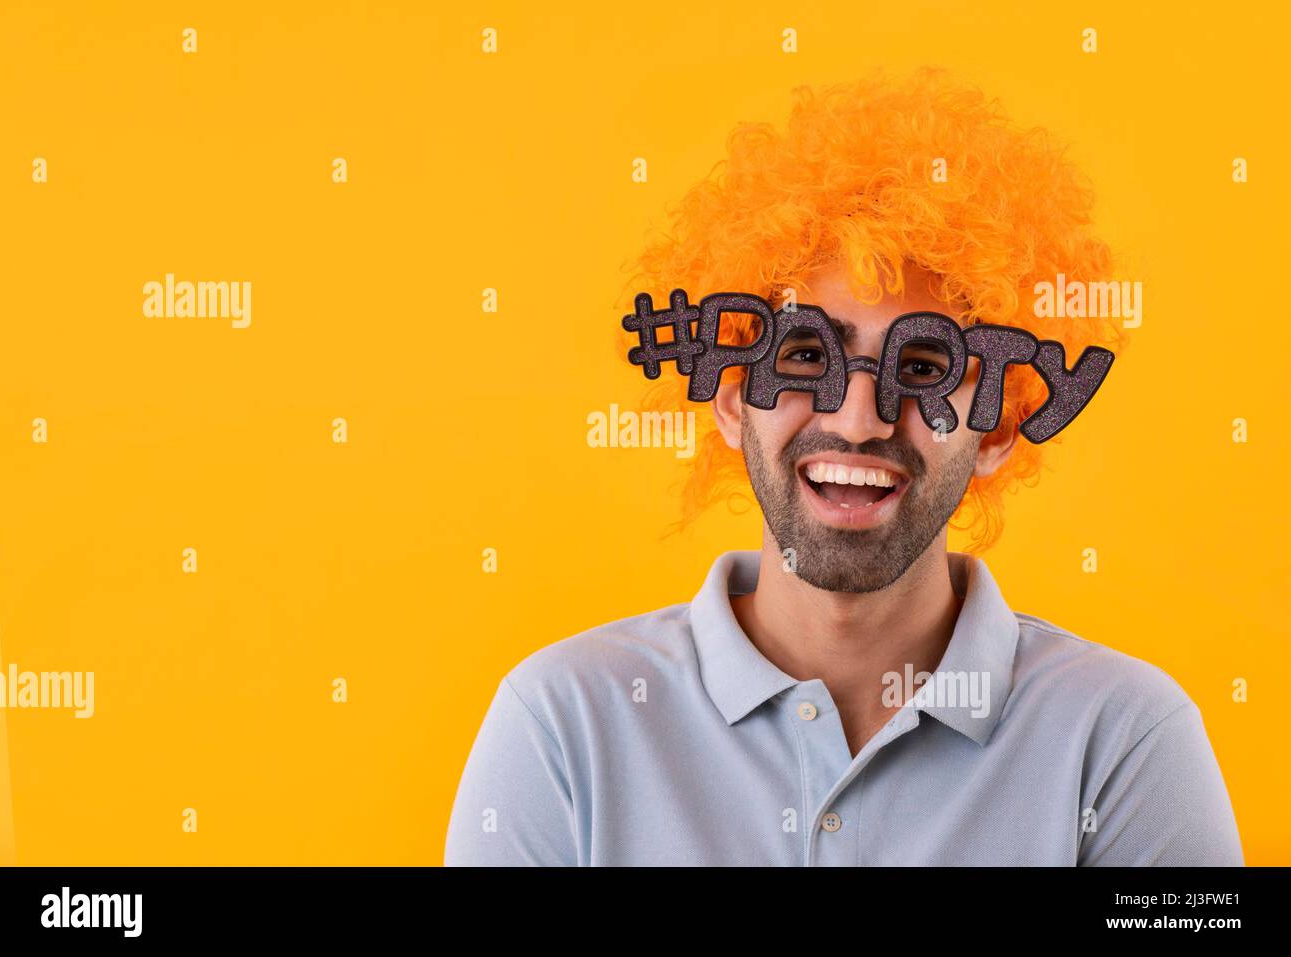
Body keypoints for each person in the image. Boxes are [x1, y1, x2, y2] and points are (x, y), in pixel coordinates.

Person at [443, 67, 1243, 866]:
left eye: (924, 366)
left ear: (999, 425)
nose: (858, 419)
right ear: (728, 396)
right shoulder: (563, 729)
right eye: (801, 354)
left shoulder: (1125, 743)